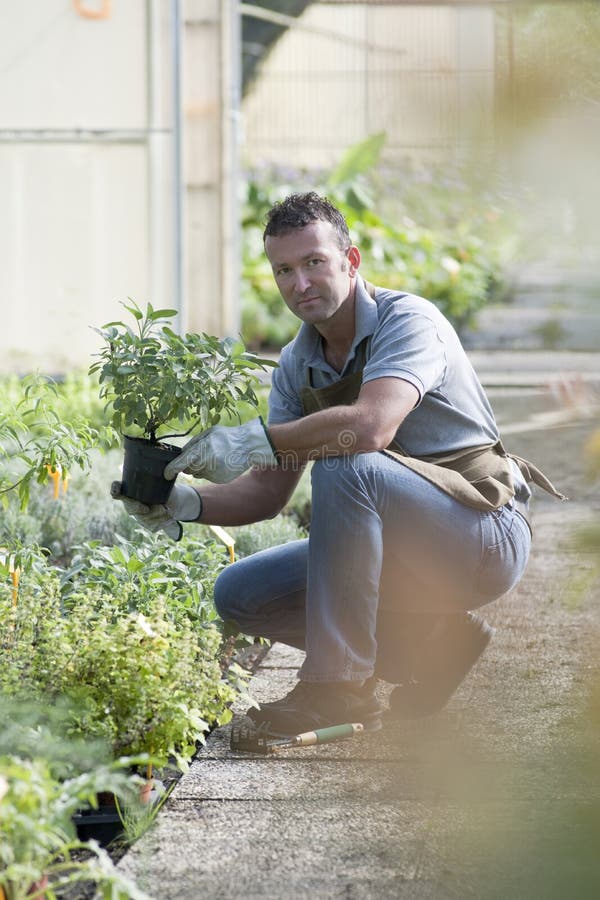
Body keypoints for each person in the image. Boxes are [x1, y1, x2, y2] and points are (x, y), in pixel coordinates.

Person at [113, 192, 564, 737]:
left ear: (349, 262)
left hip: (482, 534)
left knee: (347, 463)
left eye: (313, 263)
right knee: (240, 594)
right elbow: (265, 495)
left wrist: (255, 440)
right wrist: (184, 502)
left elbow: (372, 427)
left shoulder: (409, 321)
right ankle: (433, 646)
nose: (299, 284)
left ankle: (337, 688)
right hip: (400, 553)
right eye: (283, 270)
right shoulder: (296, 366)